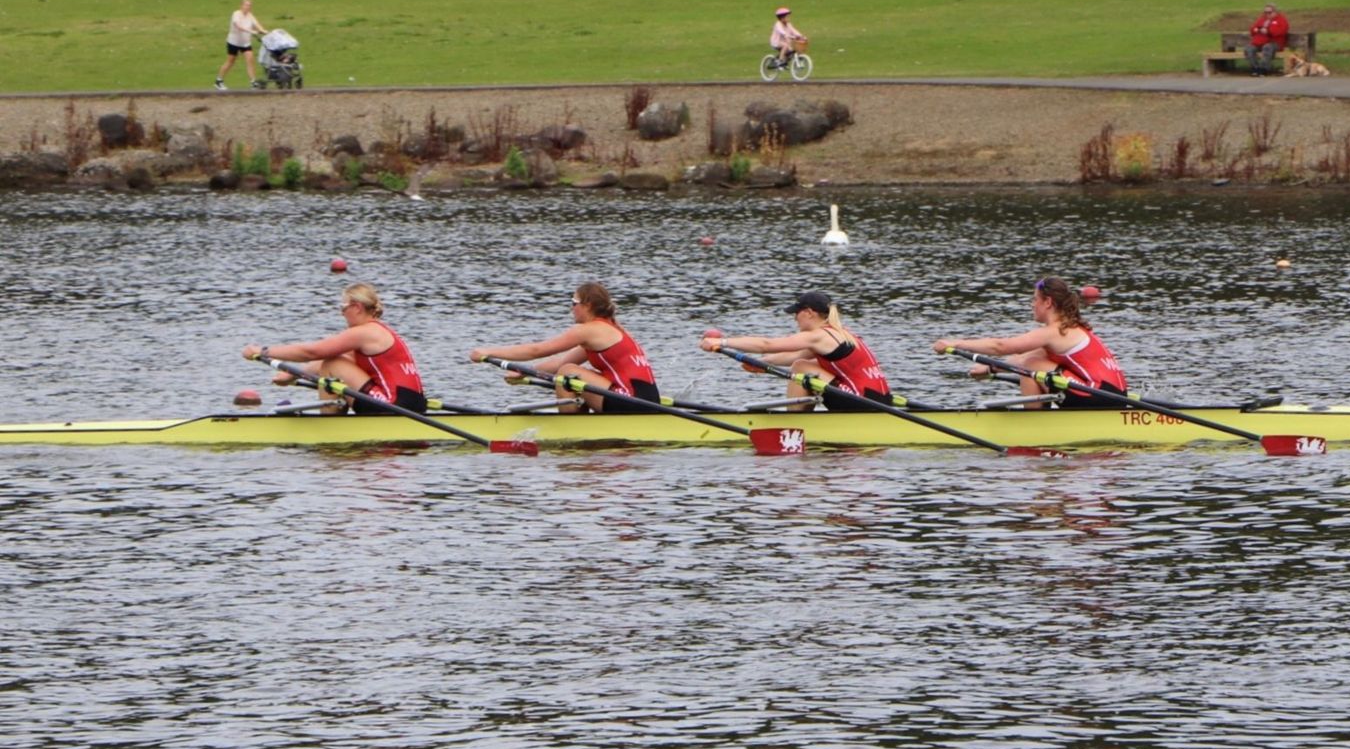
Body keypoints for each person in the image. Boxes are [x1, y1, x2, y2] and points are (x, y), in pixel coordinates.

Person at [932, 276, 1127, 408]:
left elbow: (1001, 347)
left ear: (1048, 302)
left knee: (1030, 367)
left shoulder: (1053, 331)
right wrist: (990, 369)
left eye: (1035, 299)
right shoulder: (1070, 329)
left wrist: (955, 343)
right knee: (1032, 361)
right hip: (1113, 396)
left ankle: (1033, 426)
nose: (1032, 304)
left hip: (1100, 397)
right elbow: (1024, 357)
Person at [468, 282, 659, 413]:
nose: (570, 309)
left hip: (631, 399)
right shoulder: (611, 330)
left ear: (588, 305)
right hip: (648, 399)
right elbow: (561, 361)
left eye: (573, 303)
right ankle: (581, 421)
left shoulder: (589, 330)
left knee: (567, 373)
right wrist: (525, 372)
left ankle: (572, 427)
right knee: (567, 369)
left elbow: (538, 350)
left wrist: (488, 351)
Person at [241, 282, 427, 414]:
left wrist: (263, 351)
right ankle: (334, 416)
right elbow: (334, 361)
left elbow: (313, 352)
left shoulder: (364, 332)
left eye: (343, 306)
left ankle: (329, 422)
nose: (341, 312)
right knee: (333, 362)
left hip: (393, 405)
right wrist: (292, 375)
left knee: (331, 364)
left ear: (357, 307)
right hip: (412, 404)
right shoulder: (379, 332)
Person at [699, 291, 892, 411]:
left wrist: (722, 341)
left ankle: (794, 421)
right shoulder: (842, 333)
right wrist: (765, 363)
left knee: (801, 367)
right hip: (881, 399)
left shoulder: (819, 335)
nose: (794, 319)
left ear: (809, 313)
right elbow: (795, 355)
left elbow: (767, 343)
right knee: (808, 363)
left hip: (862, 402)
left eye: (796, 313)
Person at [216, 0, 268, 91]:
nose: (248, 7)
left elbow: (257, 24)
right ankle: (219, 80)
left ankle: (253, 82)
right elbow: (238, 26)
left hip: (245, 43)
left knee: (250, 59)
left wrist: (264, 31)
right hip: (234, 42)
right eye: (246, 5)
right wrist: (251, 31)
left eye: (249, 6)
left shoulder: (250, 15)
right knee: (230, 61)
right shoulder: (236, 14)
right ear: (241, 5)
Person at [1244, 2, 1289, 77]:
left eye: (1269, 12)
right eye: (1265, 12)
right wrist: (1256, 30)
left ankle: (1264, 69)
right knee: (1249, 48)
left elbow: (1281, 31)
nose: (1267, 14)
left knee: (1267, 47)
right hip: (1259, 42)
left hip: (1274, 42)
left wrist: (1268, 31)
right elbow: (1253, 29)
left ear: (1275, 12)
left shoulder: (1281, 20)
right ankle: (1255, 68)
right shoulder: (1262, 19)